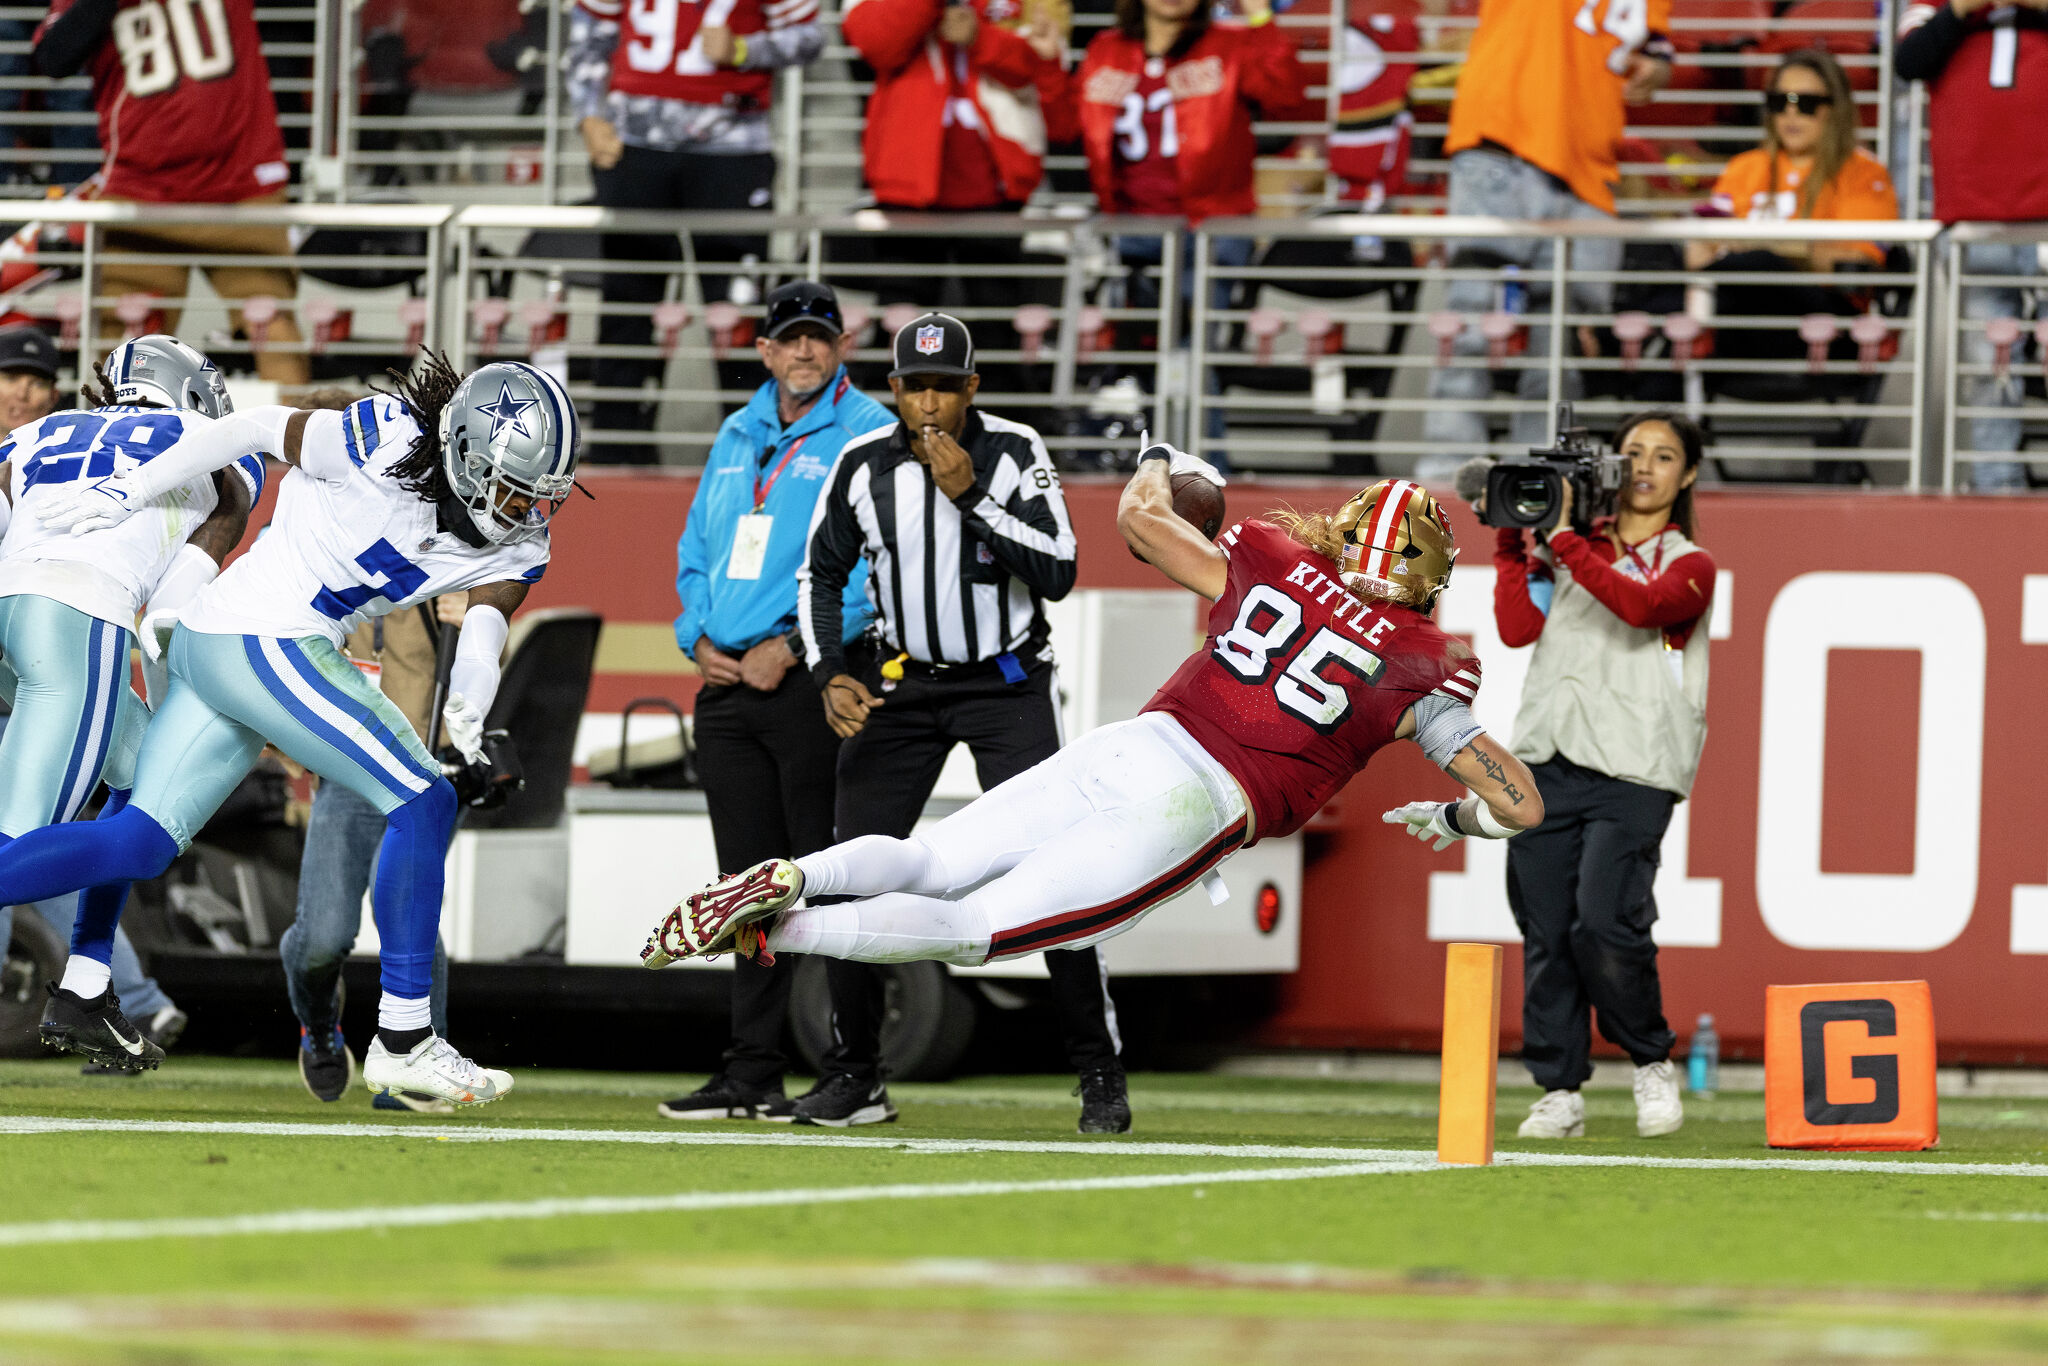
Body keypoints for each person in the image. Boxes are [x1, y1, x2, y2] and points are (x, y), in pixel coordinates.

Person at [644, 469, 1543, 1077]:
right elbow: (1521, 803)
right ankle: (777, 933)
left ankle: (799, 874)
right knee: (979, 928)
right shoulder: (1428, 661)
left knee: (938, 858)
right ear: (1428, 572)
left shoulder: (1280, 560)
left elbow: (1143, 526)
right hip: (1200, 801)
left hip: (1133, 743)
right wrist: (1459, 821)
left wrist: (1155, 462)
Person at [0, 352, 577, 1105]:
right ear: (463, 447)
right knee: (422, 800)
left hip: (229, 639)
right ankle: (406, 1039)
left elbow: (486, 623)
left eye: (537, 491)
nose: (520, 506)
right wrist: (133, 489)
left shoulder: (521, 539)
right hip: (271, 634)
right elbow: (250, 426)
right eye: (507, 484)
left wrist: (469, 705)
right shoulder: (386, 438)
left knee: (139, 842)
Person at [777, 310, 1128, 1133]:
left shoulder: (1013, 453)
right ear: (892, 391)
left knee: (1062, 874)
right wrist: (829, 672)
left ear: (973, 389)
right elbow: (817, 576)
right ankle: (856, 1074)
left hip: (1005, 688)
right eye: (915, 387)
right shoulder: (862, 465)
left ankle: (1099, 1073)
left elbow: (1059, 571)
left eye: (946, 386)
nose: (930, 403)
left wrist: (969, 495)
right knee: (852, 872)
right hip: (902, 689)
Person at [657, 281, 891, 1123]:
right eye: (789, 339)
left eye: (818, 339)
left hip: (814, 681)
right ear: (763, 350)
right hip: (726, 684)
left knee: (824, 879)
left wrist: (793, 645)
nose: (804, 352)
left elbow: (875, 565)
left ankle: (850, 1069)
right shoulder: (736, 430)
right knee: (746, 885)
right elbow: (694, 549)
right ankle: (752, 1071)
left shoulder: (867, 431)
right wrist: (698, 638)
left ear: (841, 346)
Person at [0, 334, 261, 1072]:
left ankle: (86, 986)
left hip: (12, 611)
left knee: (141, 784)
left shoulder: (33, 433)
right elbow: (170, 611)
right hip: (79, 619)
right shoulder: (219, 450)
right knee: (18, 849)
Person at [1487, 411, 1713, 1140]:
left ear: (1688, 475)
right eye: (1633, 453)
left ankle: (1649, 1060)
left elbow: (1643, 607)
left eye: (1664, 455)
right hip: (1548, 756)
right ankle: (1561, 1089)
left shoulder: (1690, 563)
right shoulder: (1571, 547)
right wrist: (1508, 545)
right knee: (1547, 928)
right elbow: (1520, 628)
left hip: (1636, 768)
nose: (1646, 466)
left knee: (1605, 922)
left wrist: (1562, 542)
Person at [1418, 0, 1673, 476]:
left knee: (1562, 347)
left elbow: (1647, 36)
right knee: (1472, 326)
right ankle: (1444, 482)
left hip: (1588, 163)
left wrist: (1657, 62)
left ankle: (1537, 485)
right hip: (1502, 143)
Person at [568, 0, 823, 462]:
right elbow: (590, 27)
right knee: (626, 306)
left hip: (734, 151)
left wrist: (745, 48)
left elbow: (808, 36)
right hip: (635, 148)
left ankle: (758, 458)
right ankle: (616, 455)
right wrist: (587, 113)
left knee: (739, 313)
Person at [33, 0, 309, 387]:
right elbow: (52, 58)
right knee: (123, 347)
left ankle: (291, 448)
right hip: (141, 191)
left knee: (274, 332)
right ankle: (121, 446)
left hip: (239, 183)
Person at [838, 0, 1071, 425]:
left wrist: (980, 38)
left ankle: (1000, 445)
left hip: (995, 182)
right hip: (906, 181)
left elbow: (1040, 61)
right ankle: (890, 439)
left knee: (994, 331)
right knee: (902, 328)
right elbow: (874, 43)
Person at [288, 583, 470, 1113]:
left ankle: (415, 1064)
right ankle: (320, 1025)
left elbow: (485, 657)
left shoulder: (439, 557)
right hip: (346, 766)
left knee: (409, 912)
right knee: (322, 936)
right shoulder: (314, 552)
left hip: (419, 766)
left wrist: (479, 618)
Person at [1897, 0, 2048, 492]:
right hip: (1976, 214)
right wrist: (1961, 8)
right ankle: (1995, 484)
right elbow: (1909, 61)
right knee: (1987, 364)